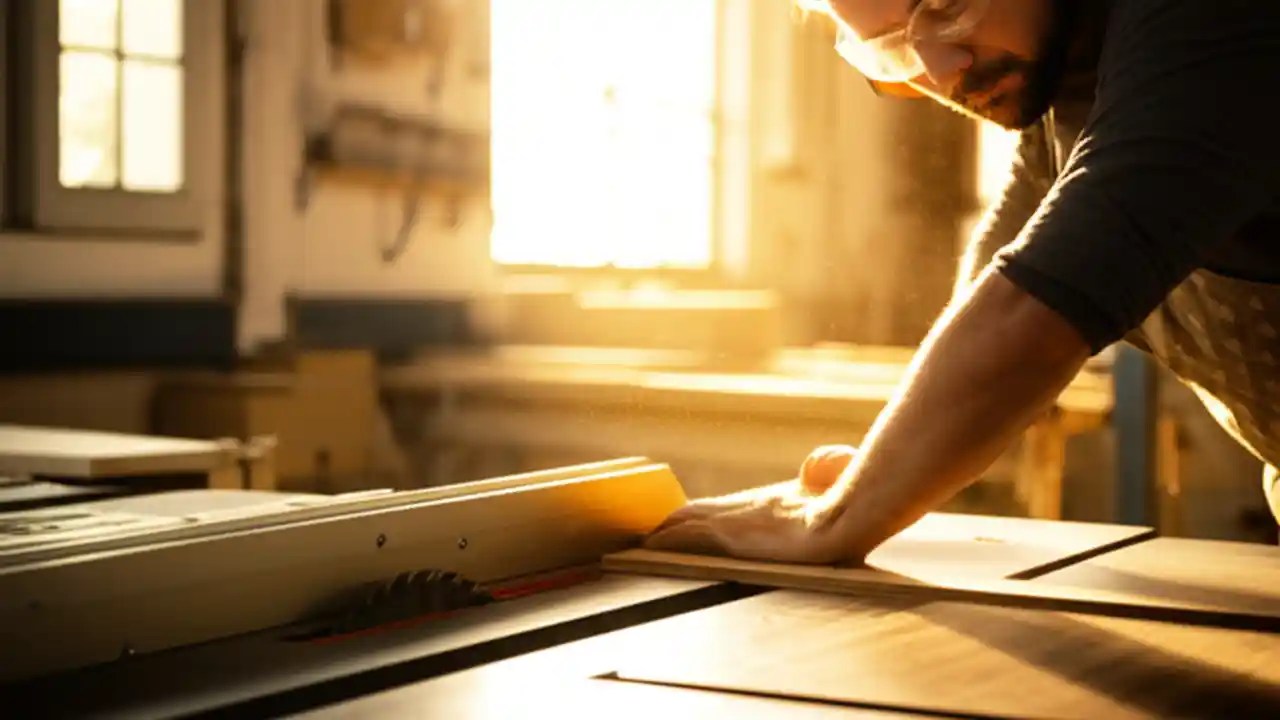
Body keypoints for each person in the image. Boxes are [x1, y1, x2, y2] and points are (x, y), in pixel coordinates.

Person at [646, 0, 1280, 562]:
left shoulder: (1213, 19)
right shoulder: (1069, 89)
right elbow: (1003, 270)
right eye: (893, 47)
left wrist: (831, 523)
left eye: (946, 5)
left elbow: (1036, 312)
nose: (941, 68)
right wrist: (876, 473)